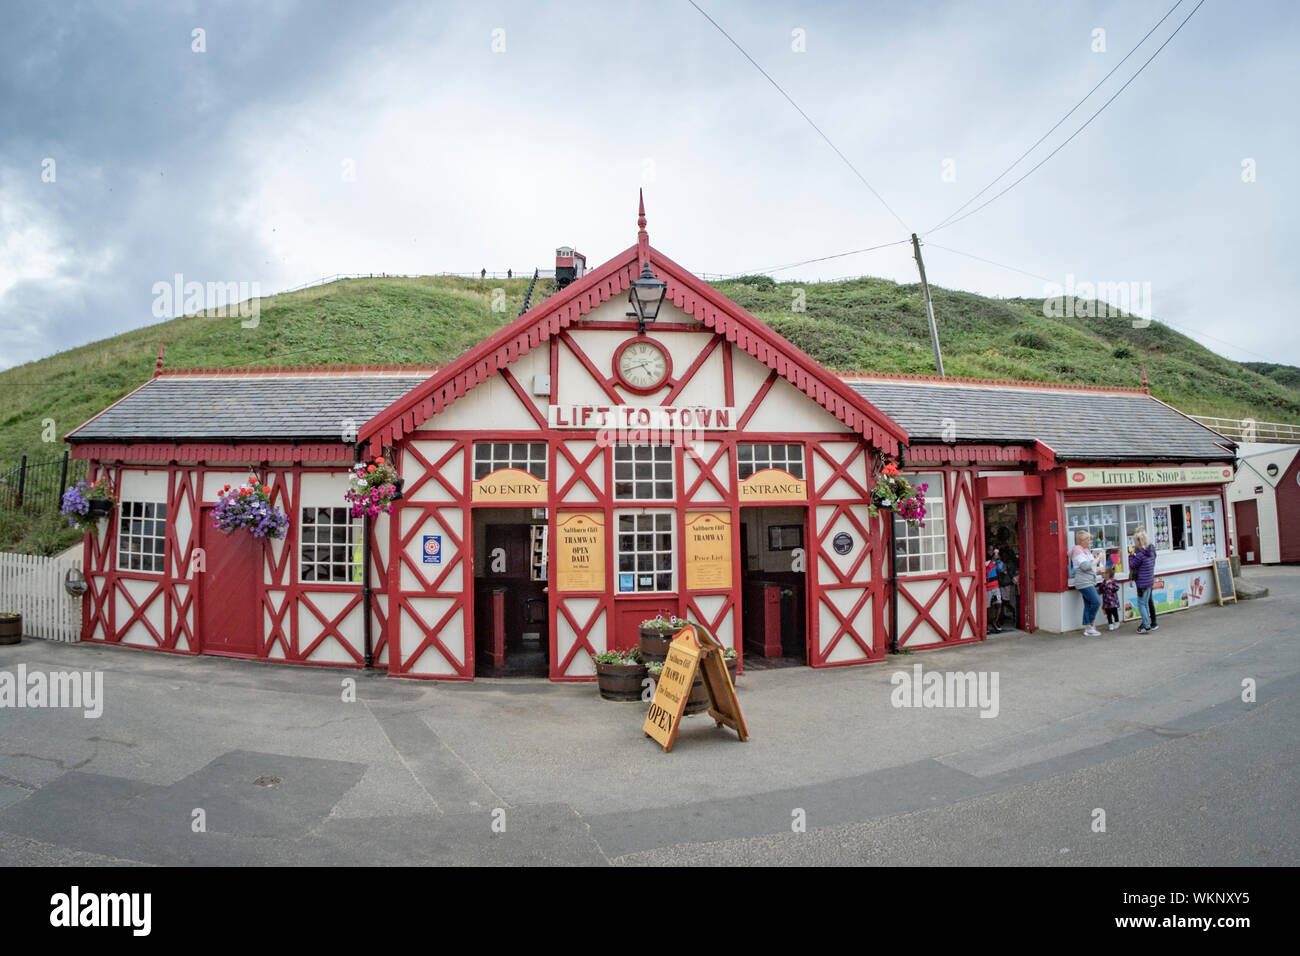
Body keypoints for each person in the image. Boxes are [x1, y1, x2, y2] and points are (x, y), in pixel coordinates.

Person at [1069, 530, 1102, 636]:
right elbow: (1085, 566)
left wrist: (1098, 567)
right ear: (1082, 540)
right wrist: (1097, 559)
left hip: (1089, 581)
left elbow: (1090, 566)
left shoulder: (1085, 550)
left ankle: (1088, 627)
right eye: (1087, 539)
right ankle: (1089, 625)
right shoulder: (1078, 551)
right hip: (1084, 582)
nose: (1089, 541)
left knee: (1088, 604)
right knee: (1096, 601)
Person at [1128, 528, 1158, 633]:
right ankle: (1147, 623)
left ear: (1139, 542)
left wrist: (1131, 555)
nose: (1133, 543)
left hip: (1142, 583)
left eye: (1134, 541)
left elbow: (1132, 565)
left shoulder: (1140, 555)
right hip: (1149, 582)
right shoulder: (1150, 553)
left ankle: (1146, 625)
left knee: (1141, 604)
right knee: (1146, 603)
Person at [984, 546, 1005, 633]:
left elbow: (1002, 569)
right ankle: (986, 625)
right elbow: (991, 564)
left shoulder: (996, 563)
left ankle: (994, 622)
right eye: (990, 550)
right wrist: (995, 556)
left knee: (999, 604)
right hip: (988, 588)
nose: (991, 552)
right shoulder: (986, 563)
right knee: (987, 607)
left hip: (996, 587)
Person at [1099, 566, 1121, 631]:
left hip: (1113, 600)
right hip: (1106, 601)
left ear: (1110, 574)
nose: (1103, 575)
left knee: (1114, 612)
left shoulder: (1113, 581)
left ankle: (1117, 622)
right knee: (1108, 613)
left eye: (1105, 573)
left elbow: (1117, 588)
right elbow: (1100, 590)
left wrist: (1112, 587)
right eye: (1102, 573)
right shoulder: (1103, 582)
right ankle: (1110, 624)